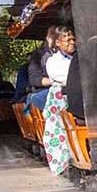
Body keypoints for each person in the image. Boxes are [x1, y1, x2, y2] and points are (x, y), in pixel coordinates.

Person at [42, 26, 75, 176]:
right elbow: (62, 78)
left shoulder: (77, 59)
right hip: (62, 97)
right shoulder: (52, 61)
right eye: (68, 40)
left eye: (73, 39)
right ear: (58, 43)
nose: (72, 43)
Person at [28, 26, 57, 110]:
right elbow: (35, 79)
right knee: (39, 97)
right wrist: (54, 81)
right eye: (53, 36)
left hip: (66, 88)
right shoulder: (38, 56)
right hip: (45, 90)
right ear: (48, 38)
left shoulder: (68, 53)